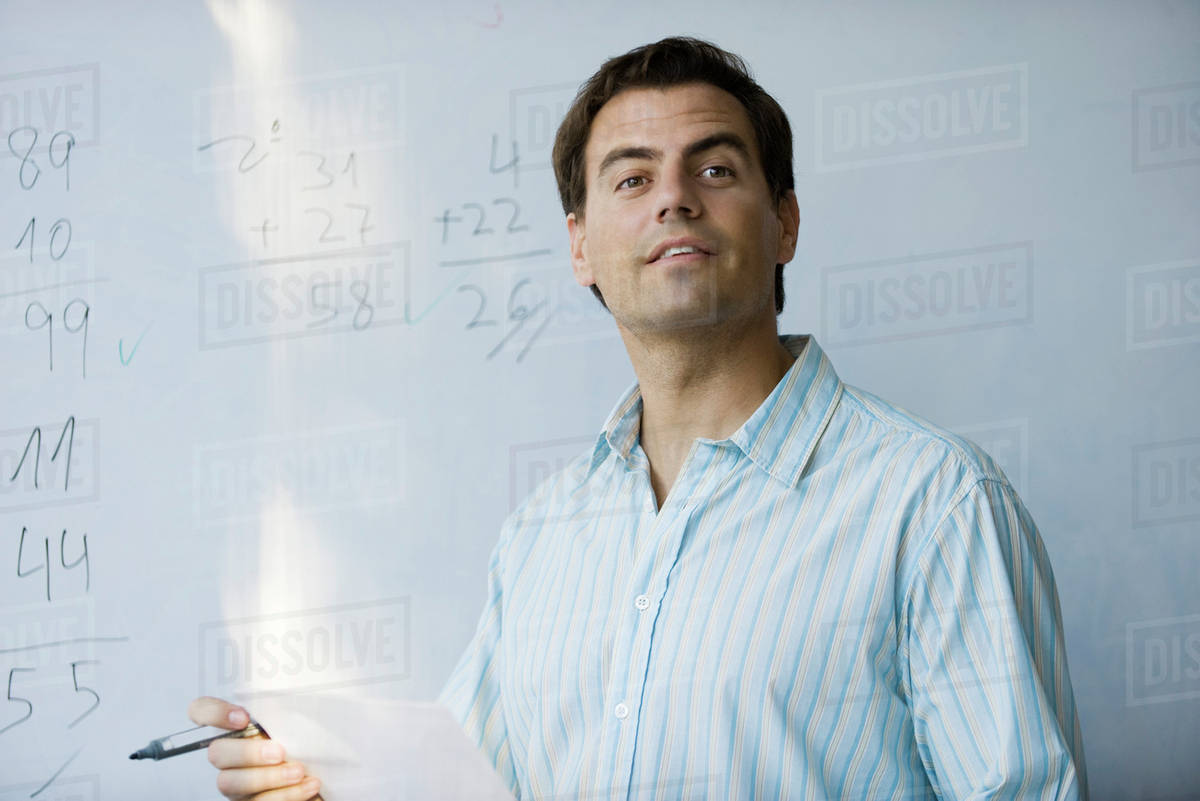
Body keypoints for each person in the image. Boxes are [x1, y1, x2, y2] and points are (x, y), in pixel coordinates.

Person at [190, 36, 1088, 800]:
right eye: (631, 177)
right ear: (581, 246)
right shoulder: (541, 536)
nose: (674, 197)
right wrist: (315, 782)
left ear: (785, 224)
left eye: (715, 168)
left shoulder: (935, 503)